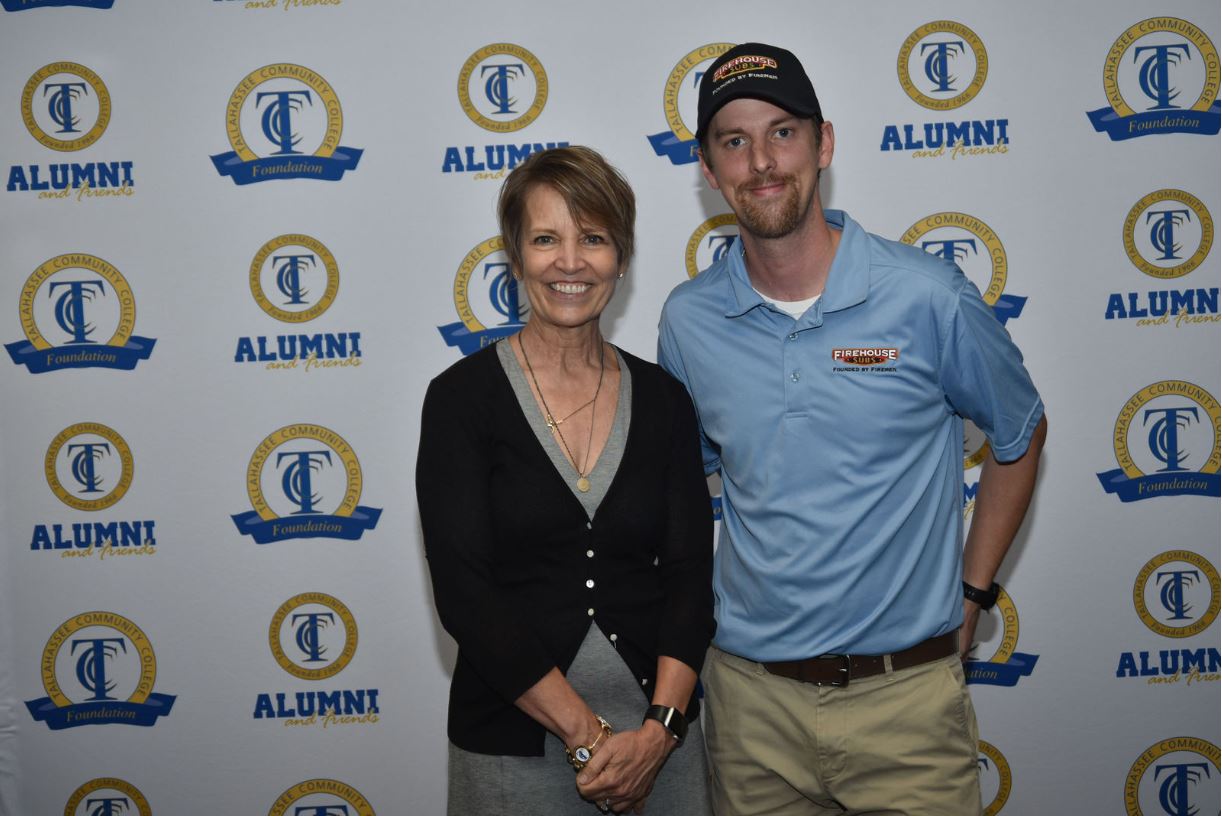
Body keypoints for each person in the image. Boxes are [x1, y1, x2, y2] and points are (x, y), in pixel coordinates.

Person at [657, 43, 1048, 816]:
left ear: (823, 143)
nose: (762, 161)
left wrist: (973, 593)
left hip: (907, 707)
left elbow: (1020, 433)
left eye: (782, 132)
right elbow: (692, 481)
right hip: (750, 710)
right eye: (734, 141)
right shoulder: (688, 320)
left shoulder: (926, 295)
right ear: (709, 170)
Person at [417, 146, 715, 815]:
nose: (572, 262)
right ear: (515, 256)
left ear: (622, 256)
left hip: (657, 748)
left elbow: (690, 577)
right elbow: (466, 594)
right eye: (547, 239)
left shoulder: (665, 400)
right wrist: (589, 739)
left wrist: (658, 735)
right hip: (512, 752)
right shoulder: (461, 401)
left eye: (595, 239)